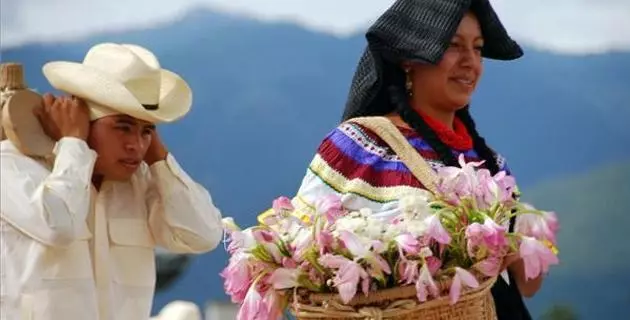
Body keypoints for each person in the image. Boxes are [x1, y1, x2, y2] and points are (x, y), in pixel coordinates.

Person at [260, 0, 541, 319]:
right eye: (453, 45)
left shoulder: (490, 164)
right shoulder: (359, 146)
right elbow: (295, 252)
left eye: (477, 48)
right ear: (410, 59)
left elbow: (526, 285)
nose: (470, 62)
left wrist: (515, 248)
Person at [0, 43, 224, 320]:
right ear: (80, 116)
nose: (136, 145)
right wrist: (73, 143)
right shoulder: (11, 166)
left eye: (146, 131)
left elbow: (203, 235)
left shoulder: (142, 181)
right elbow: (59, 225)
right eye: (122, 127)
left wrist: (159, 158)